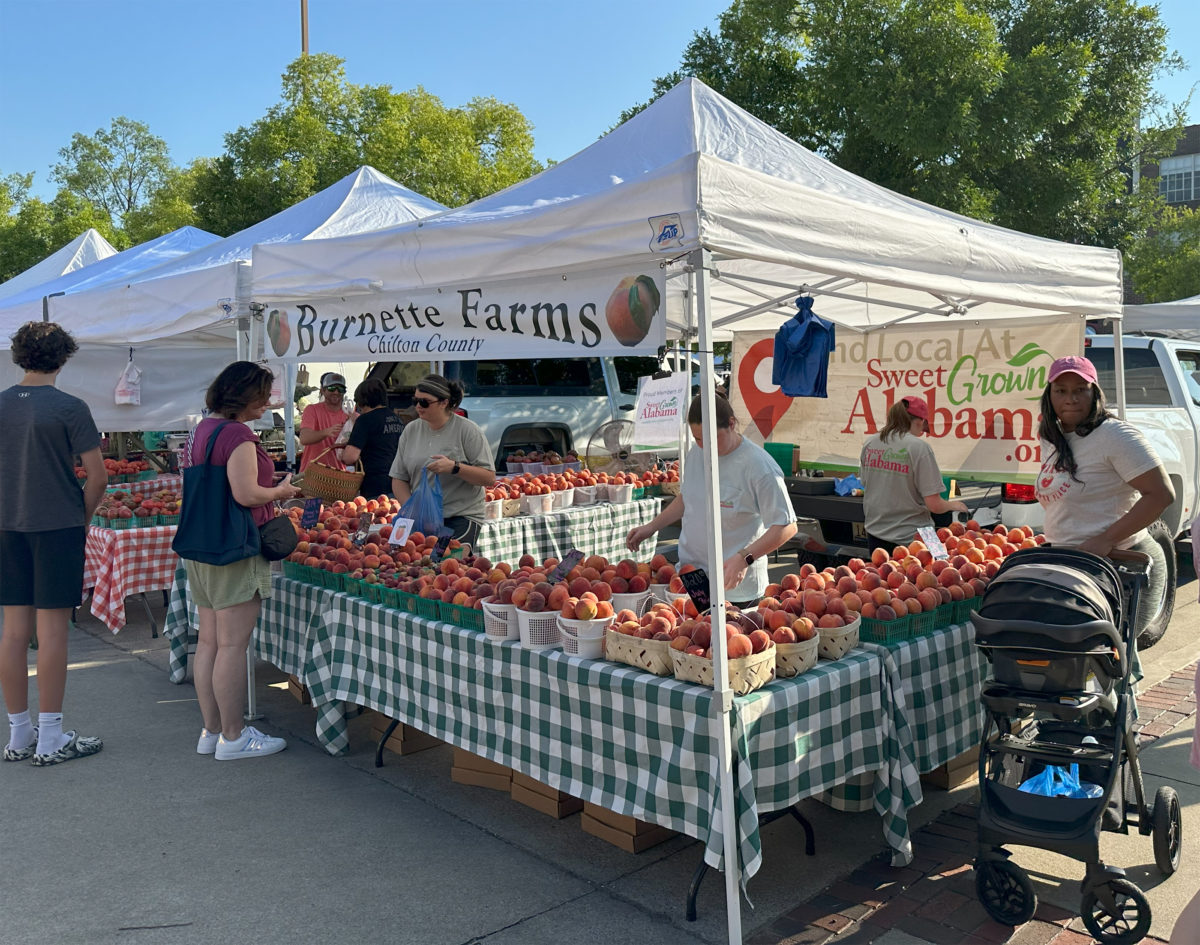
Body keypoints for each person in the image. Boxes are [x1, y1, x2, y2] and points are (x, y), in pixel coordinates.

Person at [183, 362, 302, 760]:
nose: (268, 402)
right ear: (244, 396)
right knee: (233, 646)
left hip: (203, 547)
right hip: (235, 547)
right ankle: (233, 738)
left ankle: (211, 730)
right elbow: (247, 494)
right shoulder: (238, 434)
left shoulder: (204, 429)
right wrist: (281, 490)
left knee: (209, 643)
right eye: (263, 395)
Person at [1, 322, 107, 766]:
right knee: (52, 632)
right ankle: (50, 735)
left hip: (7, 525)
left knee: (12, 632)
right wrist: (80, 521)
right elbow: (97, 477)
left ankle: (18, 733)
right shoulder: (70, 407)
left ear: (18, 355)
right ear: (64, 358)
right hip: (58, 525)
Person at [1034, 355, 1174, 635]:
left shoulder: (1115, 435)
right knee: (1084, 664)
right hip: (1074, 567)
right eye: (1061, 391)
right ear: (1049, 396)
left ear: (1095, 392)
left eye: (1080, 390)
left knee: (1109, 660)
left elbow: (1160, 494)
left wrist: (1105, 539)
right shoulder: (1052, 437)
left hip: (1123, 566)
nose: (1070, 399)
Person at [625, 394, 797, 606]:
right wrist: (652, 527)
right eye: (698, 439)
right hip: (691, 578)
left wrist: (745, 558)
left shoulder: (759, 467)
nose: (704, 446)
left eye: (710, 438)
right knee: (694, 636)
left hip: (735, 588)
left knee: (729, 637)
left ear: (731, 424)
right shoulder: (696, 454)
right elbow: (689, 498)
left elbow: (786, 526)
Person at [389, 374, 495, 546]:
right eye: (415, 400)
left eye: (424, 402)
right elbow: (399, 477)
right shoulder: (411, 430)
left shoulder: (467, 430)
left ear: (444, 402)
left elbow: (488, 477)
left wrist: (455, 467)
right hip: (422, 519)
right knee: (406, 563)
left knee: (440, 562)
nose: (417, 406)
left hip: (459, 517)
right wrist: (412, 510)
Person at [859, 396, 968, 553]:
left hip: (876, 534)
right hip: (917, 536)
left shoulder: (870, 443)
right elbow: (935, 505)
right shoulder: (919, 448)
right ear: (919, 422)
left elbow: (866, 483)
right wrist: (956, 505)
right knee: (941, 570)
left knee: (882, 576)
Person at [341, 379, 404, 498]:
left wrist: (344, 450)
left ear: (361, 400)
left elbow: (350, 457)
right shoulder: (397, 419)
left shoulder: (364, 421)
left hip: (374, 487)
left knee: (374, 516)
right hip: (399, 484)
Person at [298, 371, 352, 472]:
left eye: (340, 389)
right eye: (331, 388)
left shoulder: (350, 415)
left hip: (339, 475)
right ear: (323, 390)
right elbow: (304, 438)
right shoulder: (312, 410)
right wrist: (326, 432)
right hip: (312, 475)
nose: (336, 392)